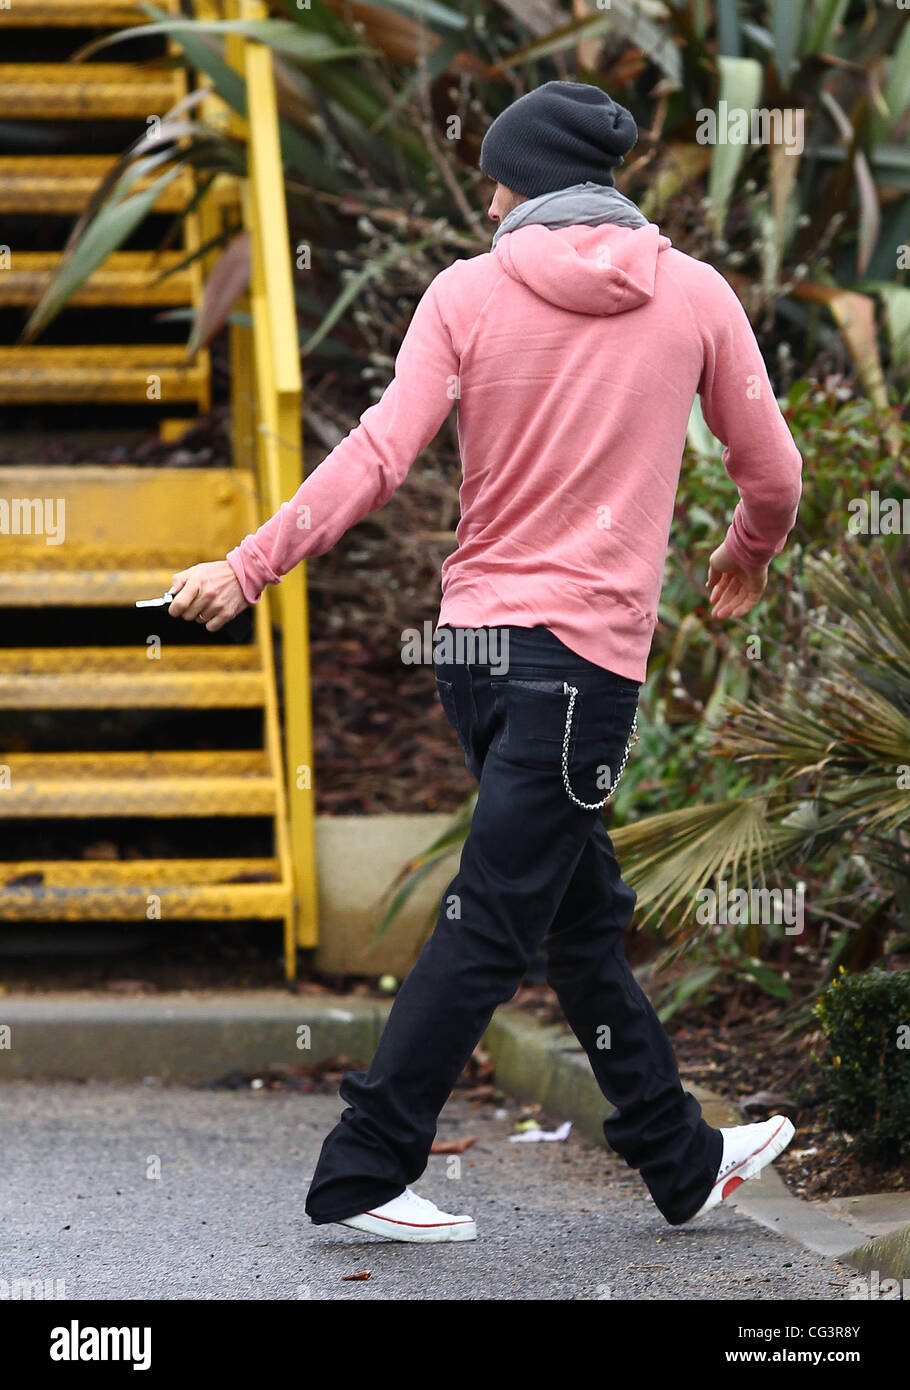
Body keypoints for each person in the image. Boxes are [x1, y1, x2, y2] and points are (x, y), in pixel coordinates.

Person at [168, 81, 802, 1242]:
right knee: (498, 916)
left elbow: (376, 454)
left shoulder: (465, 292)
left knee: (574, 915)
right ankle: (364, 1164)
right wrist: (746, 549)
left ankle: (679, 1156)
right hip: (582, 668)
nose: (492, 200)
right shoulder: (697, 297)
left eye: (499, 180)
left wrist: (250, 564)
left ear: (532, 182)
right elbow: (776, 475)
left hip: (475, 649)